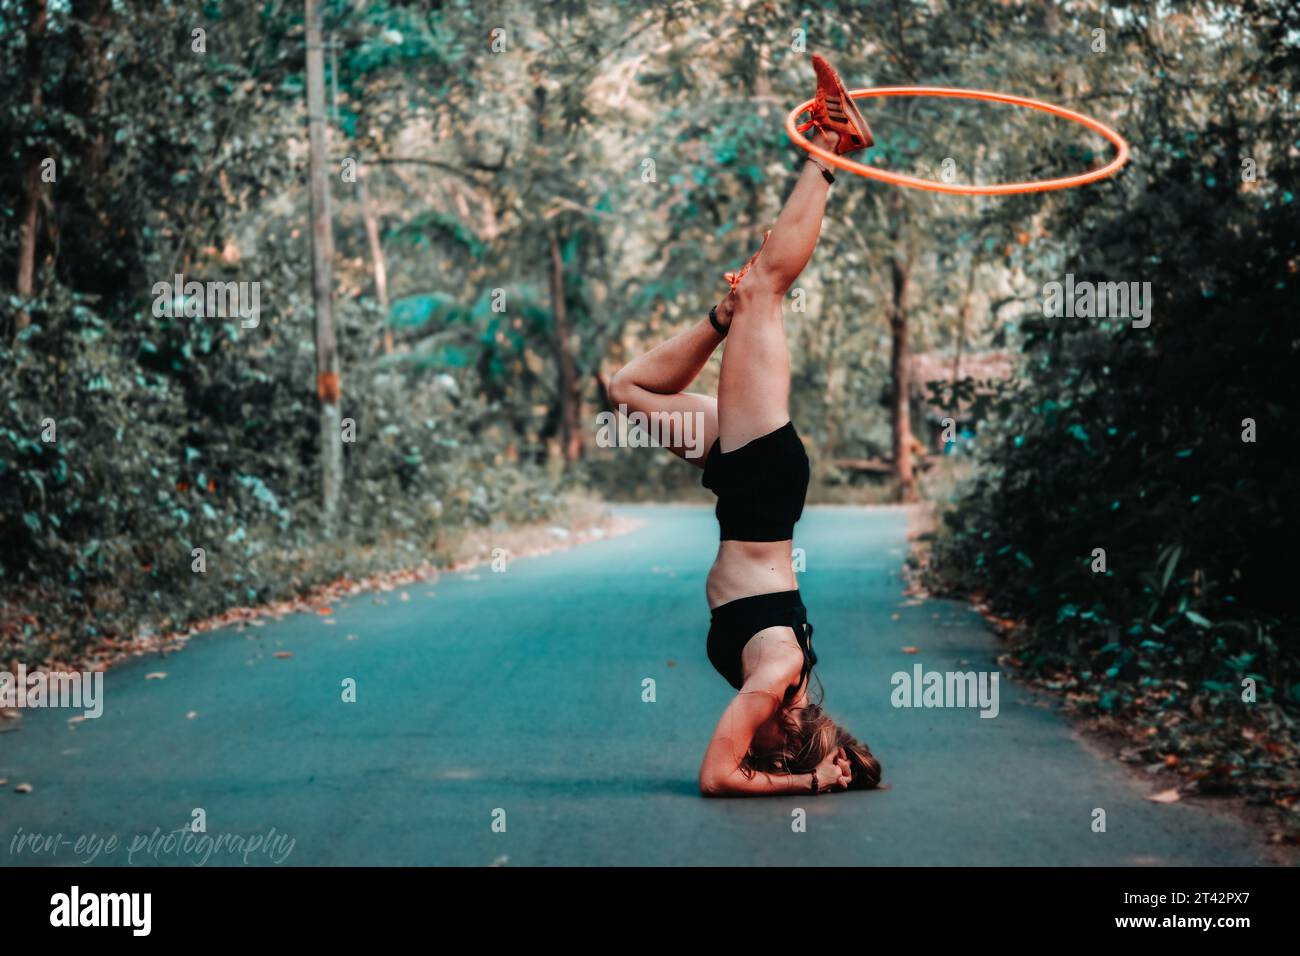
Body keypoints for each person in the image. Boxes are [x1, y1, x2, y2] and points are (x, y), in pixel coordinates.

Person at [608, 55, 883, 797]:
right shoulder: (778, 679)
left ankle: (722, 318)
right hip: (761, 486)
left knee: (625, 388)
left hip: (744, 487)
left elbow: (730, 770)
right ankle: (832, 148)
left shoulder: (774, 686)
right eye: (772, 744)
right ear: (786, 734)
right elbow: (715, 779)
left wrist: (719, 323)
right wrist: (810, 786)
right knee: (765, 286)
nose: (749, 730)